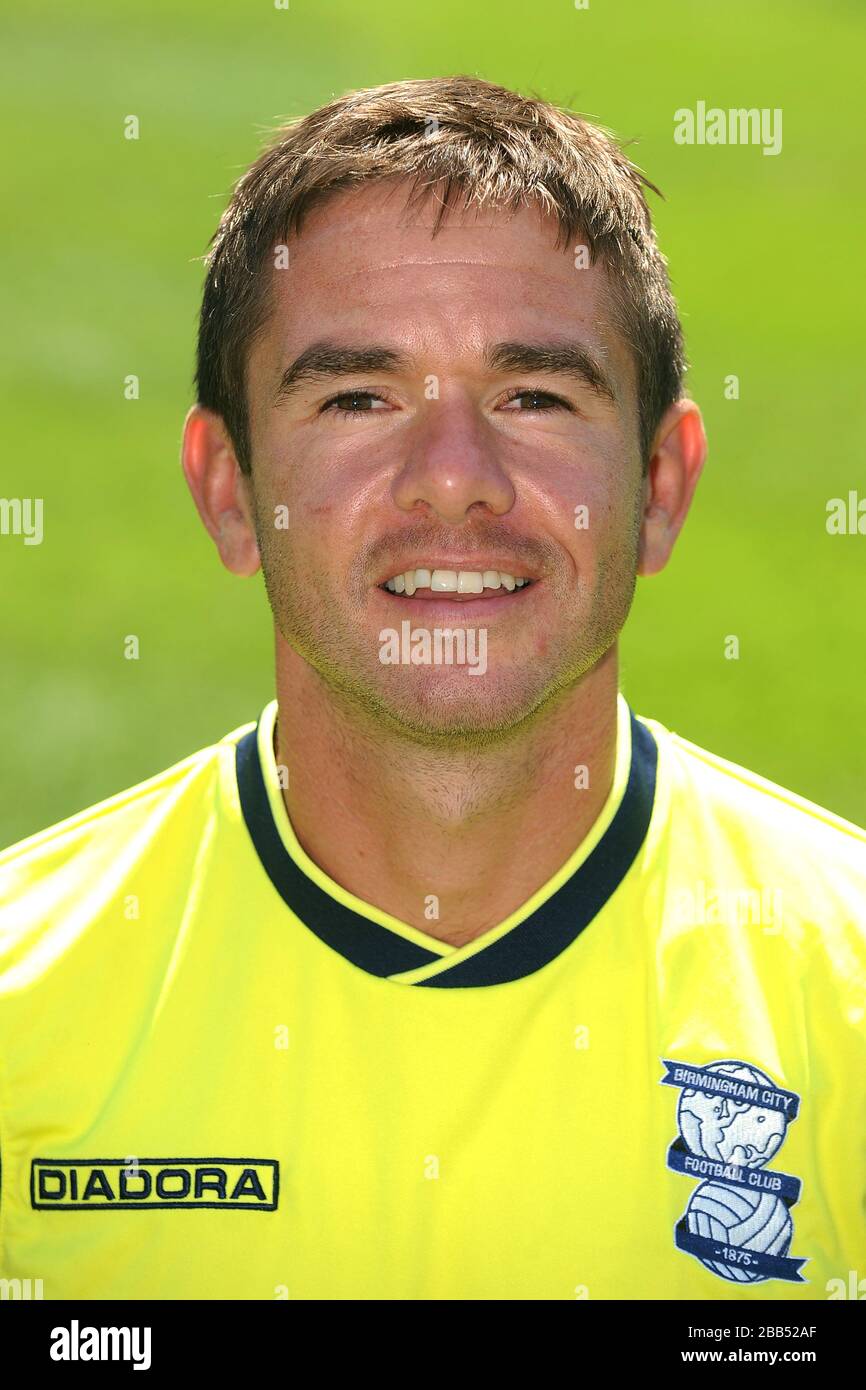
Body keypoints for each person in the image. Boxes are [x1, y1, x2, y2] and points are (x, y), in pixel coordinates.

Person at [1, 75, 863, 1301]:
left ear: (659, 485)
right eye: (357, 396)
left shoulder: (846, 995)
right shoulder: (19, 1007)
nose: (452, 480)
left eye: (533, 395)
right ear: (229, 490)